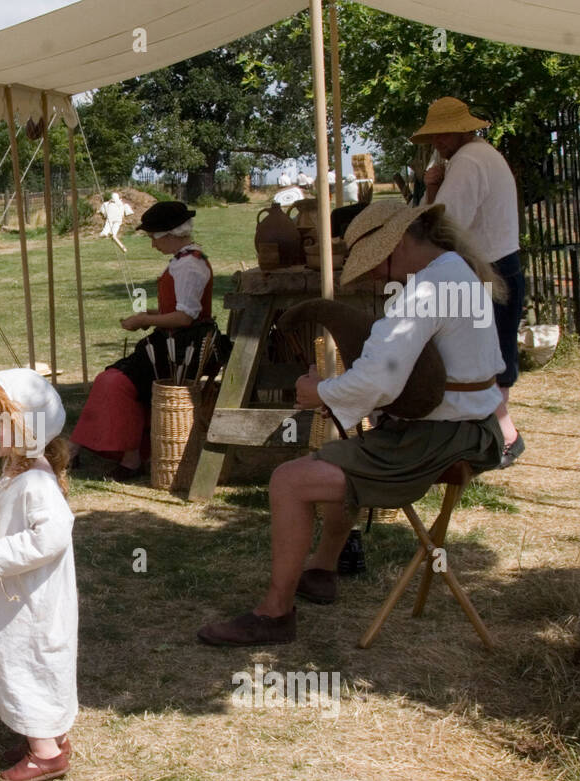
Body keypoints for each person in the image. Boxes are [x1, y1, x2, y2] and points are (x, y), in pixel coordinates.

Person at [196, 202, 507, 647]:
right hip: (471, 429)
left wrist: (320, 393)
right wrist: (349, 397)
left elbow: (383, 372)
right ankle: (322, 568)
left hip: (441, 437)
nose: (377, 276)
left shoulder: (427, 290)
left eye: (377, 261)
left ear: (398, 242)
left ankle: (274, 614)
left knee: (290, 481)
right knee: (341, 454)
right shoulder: (455, 269)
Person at [69, 200, 224, 480]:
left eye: (154, 237)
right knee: (114, 379)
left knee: (114, 382)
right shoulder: (185, 260)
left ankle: (124, 457)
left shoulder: (189, 265)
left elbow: (185, 318)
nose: (153, 245)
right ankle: (92, 450)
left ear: (171, 235)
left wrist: (144, 320)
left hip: (182, 349)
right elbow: (182, 310)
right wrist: (150, 313)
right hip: (172, 342)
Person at [0, 368, 77, 781]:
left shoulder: (36, 480)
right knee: (31, 661)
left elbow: (51, 535)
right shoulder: (21, 469)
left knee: (27, 661)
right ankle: (52, 734)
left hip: (32, 601)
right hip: (22, 593)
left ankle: (46, 754)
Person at [415, 97, 525, 467]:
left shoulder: (467, 162)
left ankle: (502, 437)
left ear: (462, 130)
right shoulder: (481, 155)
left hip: (485, 269)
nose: (437, 143)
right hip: (497, 262)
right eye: (434, 137)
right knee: (493, 355)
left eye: (442, 135)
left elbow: (445, 223)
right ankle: (500, 436)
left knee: (483, 359)